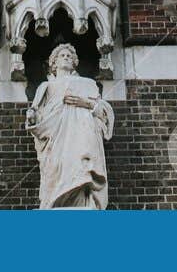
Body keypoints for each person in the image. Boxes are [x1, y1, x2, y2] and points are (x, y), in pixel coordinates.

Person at [25, 41, 114, 209]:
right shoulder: (46, 87)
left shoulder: (87, 84)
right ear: (53, 62)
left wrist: (86, 103)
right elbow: (37, 115)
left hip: (81, 137)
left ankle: (84, 202)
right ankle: (53, 201)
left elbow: (103, 112)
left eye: (69, 56)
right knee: (55, 169)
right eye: (62, 55)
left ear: (74, 62)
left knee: (81, 169)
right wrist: (31, 118)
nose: (66, 58)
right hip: (55, 140)